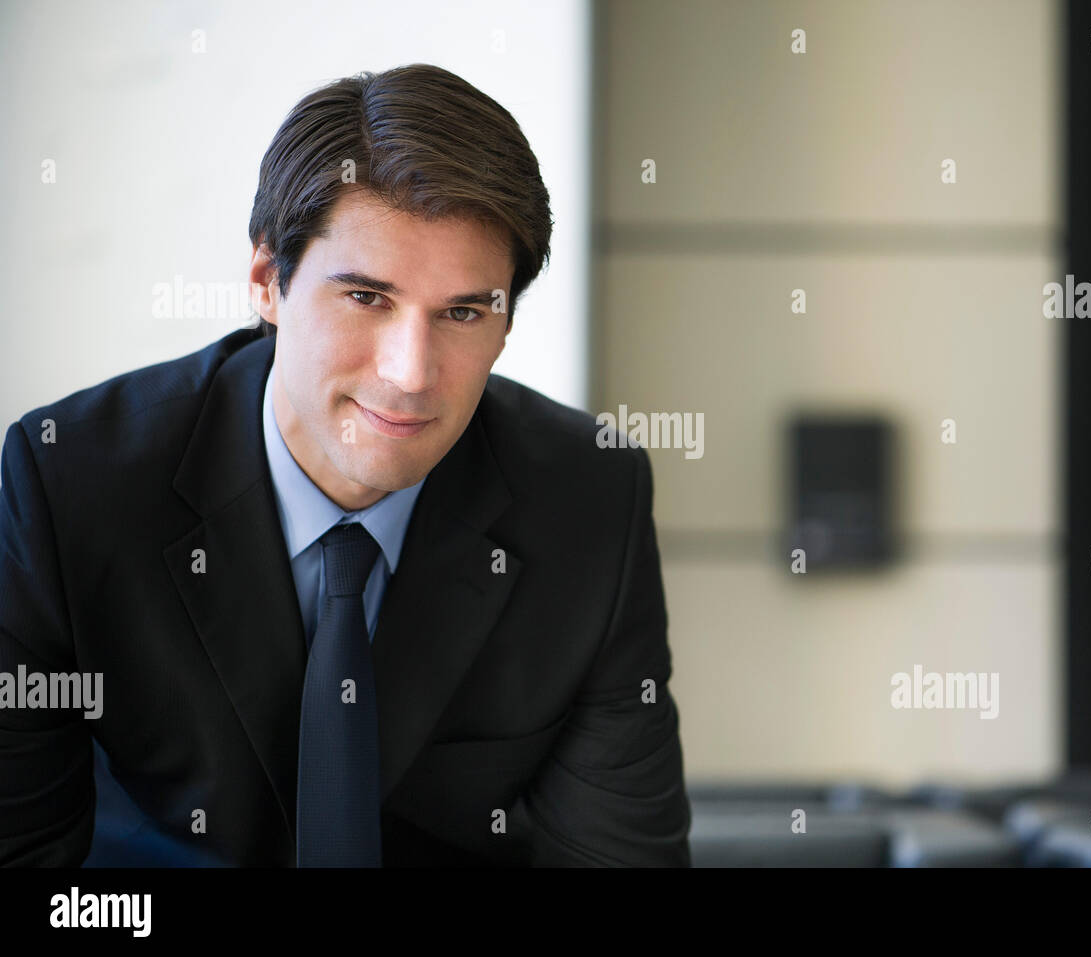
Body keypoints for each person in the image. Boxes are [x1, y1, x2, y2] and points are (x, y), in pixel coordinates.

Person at [0, 63, 690, 867]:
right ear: (267, 281)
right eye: (366, 297)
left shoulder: (588, 497)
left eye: (463, 312)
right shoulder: (70, 482)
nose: (409, 371)